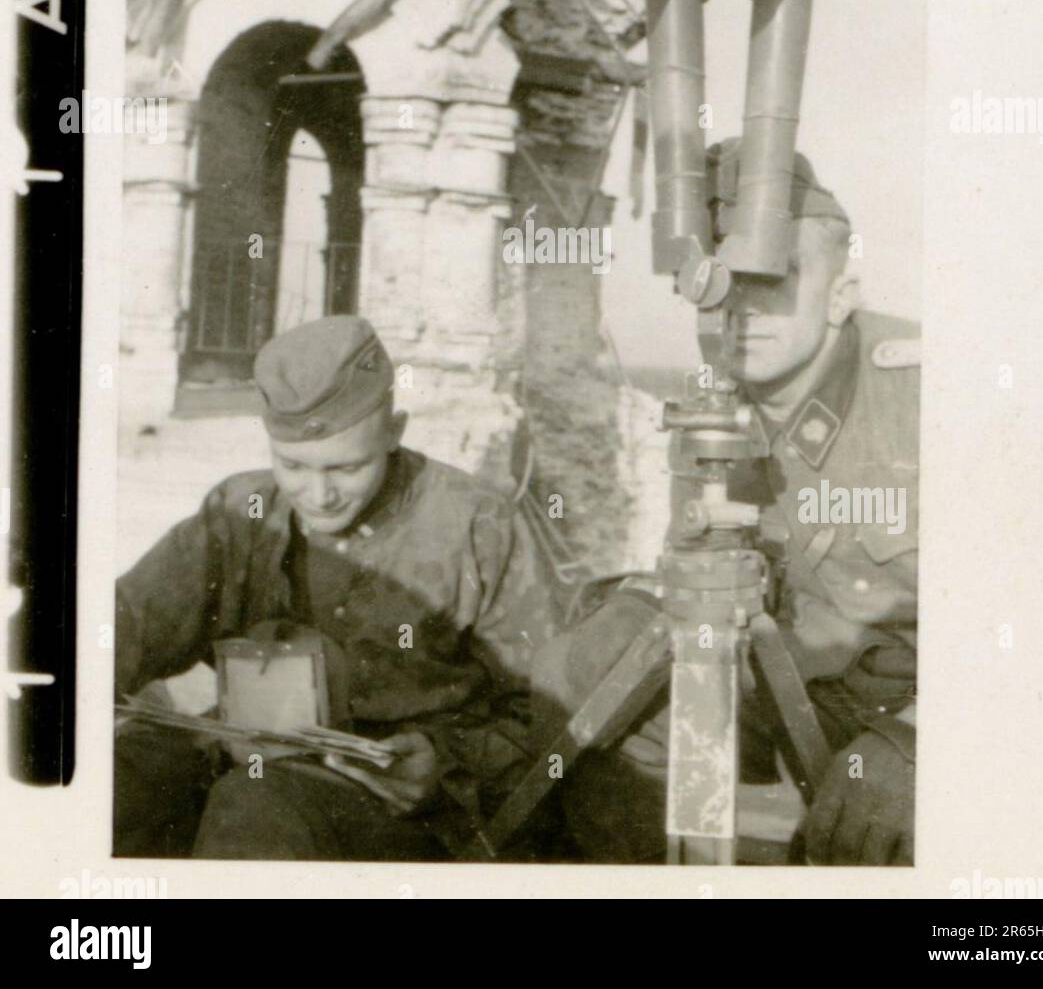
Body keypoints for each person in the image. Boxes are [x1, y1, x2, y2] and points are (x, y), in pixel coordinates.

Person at [532, 150, 919, 865]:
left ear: (840, 295)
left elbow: (1036, 628)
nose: (741, 313)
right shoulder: (715, 409)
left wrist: (916, 742)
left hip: (907, 716)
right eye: (719, 286)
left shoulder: (922, 394)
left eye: (770, 284)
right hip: (780, 692)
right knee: (587, 688)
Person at [114, 314, 564, 860]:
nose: (318, 494)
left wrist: (445, 760)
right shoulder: (240, 514)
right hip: (246, 757)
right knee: (120, 783)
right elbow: (127, 621)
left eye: (347, 469)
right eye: (293, 466)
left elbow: (547, 709)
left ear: (394, 432)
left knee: (254, 808)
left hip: (403, 810)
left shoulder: (477, 527)